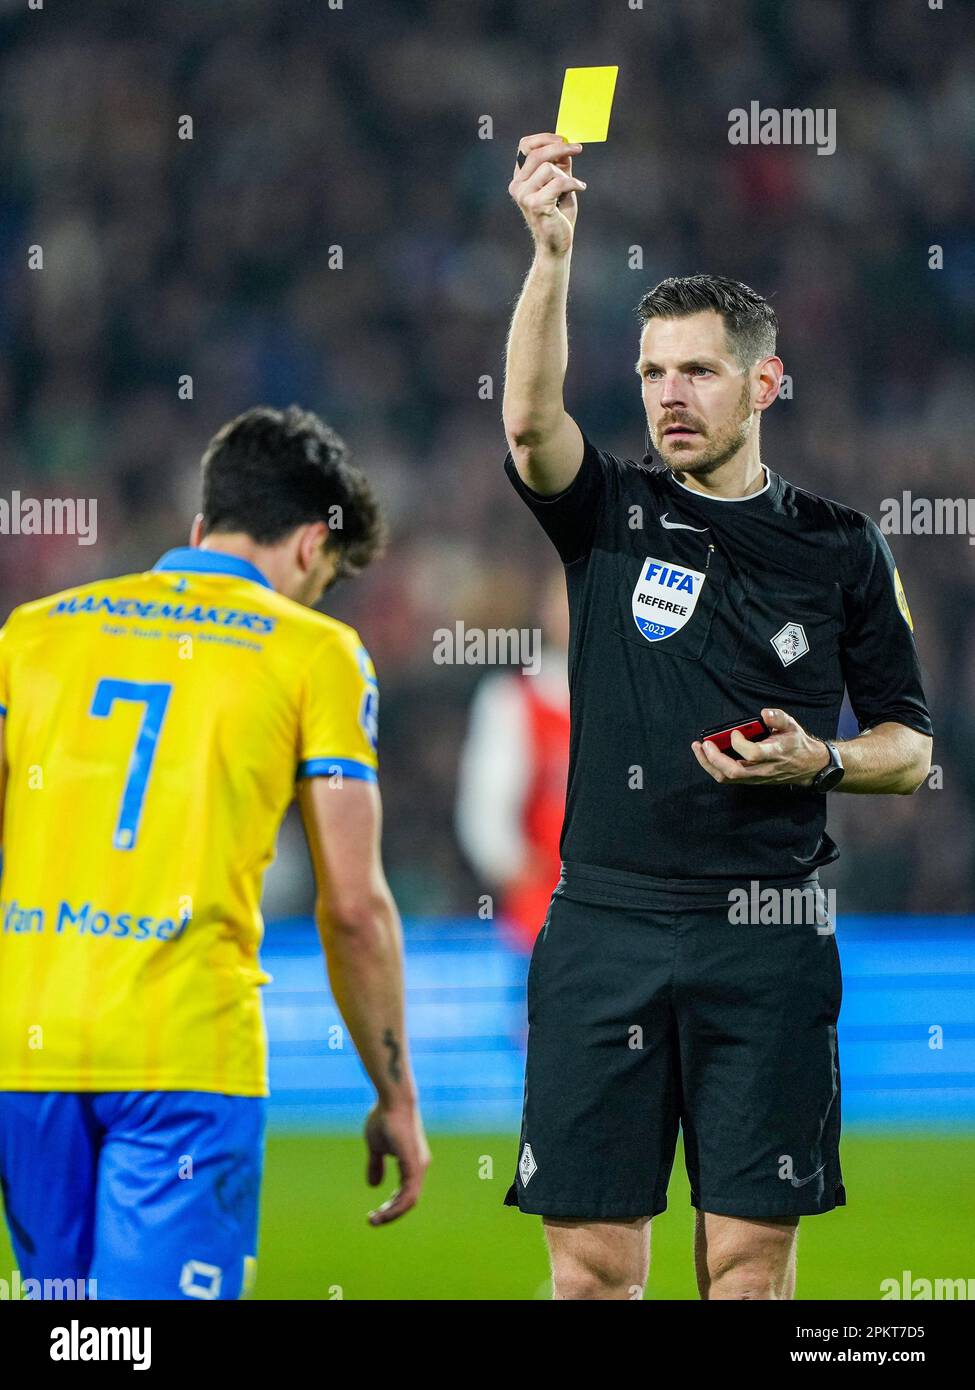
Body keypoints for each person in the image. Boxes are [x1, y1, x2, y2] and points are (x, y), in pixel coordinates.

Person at [501, 133, 933, 1300]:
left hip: (767, 933)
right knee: (591, 1277)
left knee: (746, 1273)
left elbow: (910, 748)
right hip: (605, 925)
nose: (668, 396)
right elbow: (532, 426)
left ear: (764, 381)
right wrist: (551, 253)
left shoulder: (843, 546)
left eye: (696, 371)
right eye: (651, 373)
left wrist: (823, 757)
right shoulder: (610, 517)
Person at [0, 405, 429, 1300]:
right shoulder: (316, 652)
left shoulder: (34, 633)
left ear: (200, 526)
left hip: (27, 1056)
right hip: (184, 1060)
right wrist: (395, 1096)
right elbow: (353, 907)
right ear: (314, 547)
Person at [455, 569, 569, 950]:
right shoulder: (513, 698)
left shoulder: (631, 696)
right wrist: (518, 869)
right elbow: (486, 815)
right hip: (542, 914)